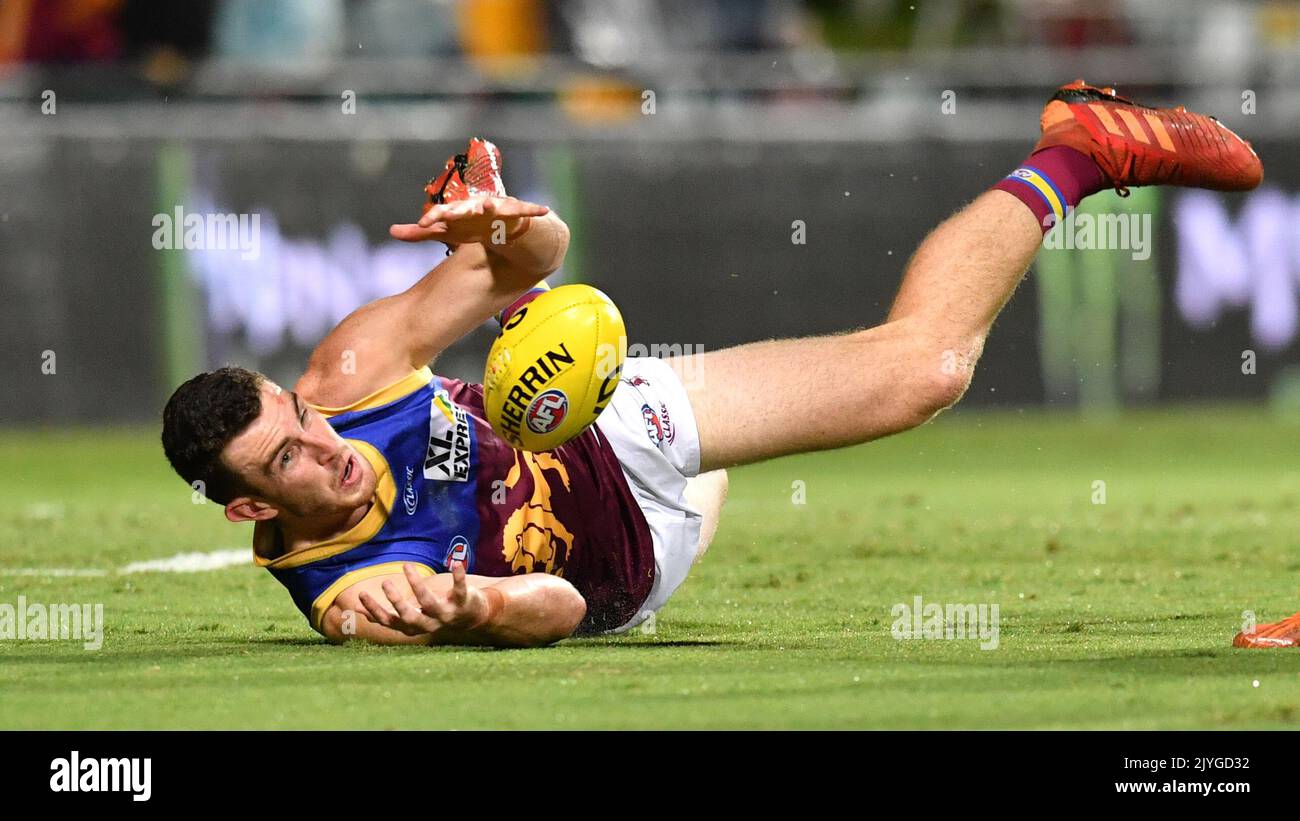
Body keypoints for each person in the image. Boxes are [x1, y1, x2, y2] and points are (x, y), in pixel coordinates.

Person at [161, 81, 1263, 648]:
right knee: (696, 502)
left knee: (919, 372)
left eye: (302, 414)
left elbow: (543, 251)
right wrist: (478, 613)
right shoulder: (354, 595)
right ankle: (594, 395)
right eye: (291, 459)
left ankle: (1079, 148)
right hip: (624, 570)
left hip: (606, 425)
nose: (329, 445)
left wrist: (503, 235)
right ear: (246, 511)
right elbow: (551, 606)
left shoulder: (351, 371)